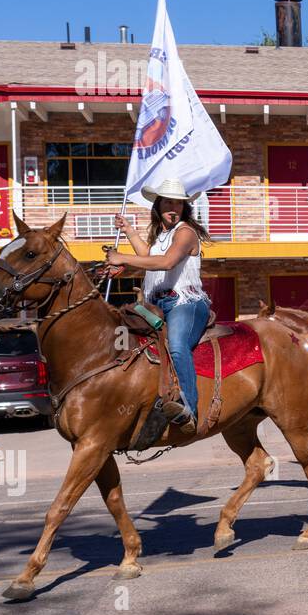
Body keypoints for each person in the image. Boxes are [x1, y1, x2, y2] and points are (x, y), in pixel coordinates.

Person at [106, 178, 213, 434]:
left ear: (185, 206)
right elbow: (147, 256)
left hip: (185, 301)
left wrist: (122, 257)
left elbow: (166, 262)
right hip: (156, 304)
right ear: (158, 205)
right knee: (122, 335)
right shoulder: (162, 235)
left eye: (178, 202)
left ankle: (189, 407)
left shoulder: (186, 232)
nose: (173, 207)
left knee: (176, 346)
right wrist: (129, 230)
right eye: (168, 202)